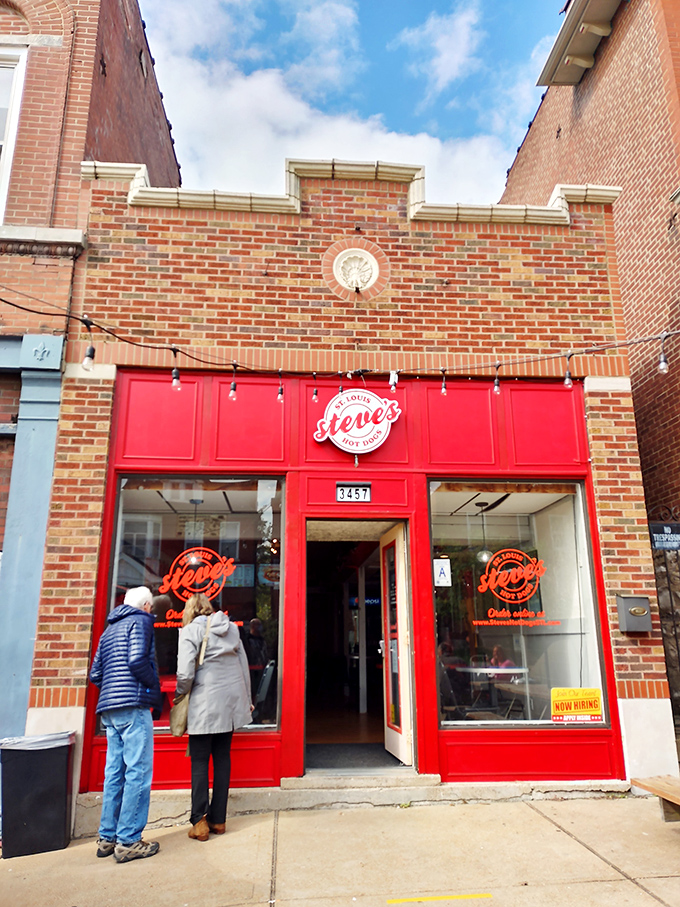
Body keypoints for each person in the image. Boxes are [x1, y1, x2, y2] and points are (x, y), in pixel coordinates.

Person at [89, 586, 162, 863]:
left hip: (109, 709)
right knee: (138, 771)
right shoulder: (141, 621)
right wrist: (153, 687)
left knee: (114, 772)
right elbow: (137, 660)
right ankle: (129, 840)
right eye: (151, 607)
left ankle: (107, 837)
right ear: (146, 605)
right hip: (133, 706)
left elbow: (96, 673)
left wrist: (113, 690)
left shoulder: (110, 629)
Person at [176, 593, 252, 841]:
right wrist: (247, 699)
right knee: (222, 758)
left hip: (204, 703)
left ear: (190, 610)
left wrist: (180, 695)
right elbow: (243, 668)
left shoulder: (190, 631)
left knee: (199, 761)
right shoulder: (233, 629)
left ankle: (199, 822)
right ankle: (218, 820)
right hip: (230, 703)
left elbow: (185, 673)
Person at [244, 617, 268, 702]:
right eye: (257, 625)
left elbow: (265, 654)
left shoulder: (262, 640)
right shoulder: (247, 641)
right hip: (250, 670)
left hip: (262, 670)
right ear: (252, 626)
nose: (259, 627)